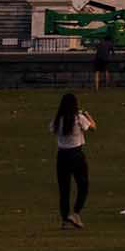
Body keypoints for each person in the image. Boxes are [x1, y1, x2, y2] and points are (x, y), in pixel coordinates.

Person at [53, 91, 94, 229]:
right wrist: (87, 114)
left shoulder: (58, 119)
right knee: (83, 185)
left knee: (64, 189)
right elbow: (93, 127)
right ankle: (75, 213)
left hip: (62, 155)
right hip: (76, 154)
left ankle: (65, 219)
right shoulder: (78, 118)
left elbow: (52, 129)